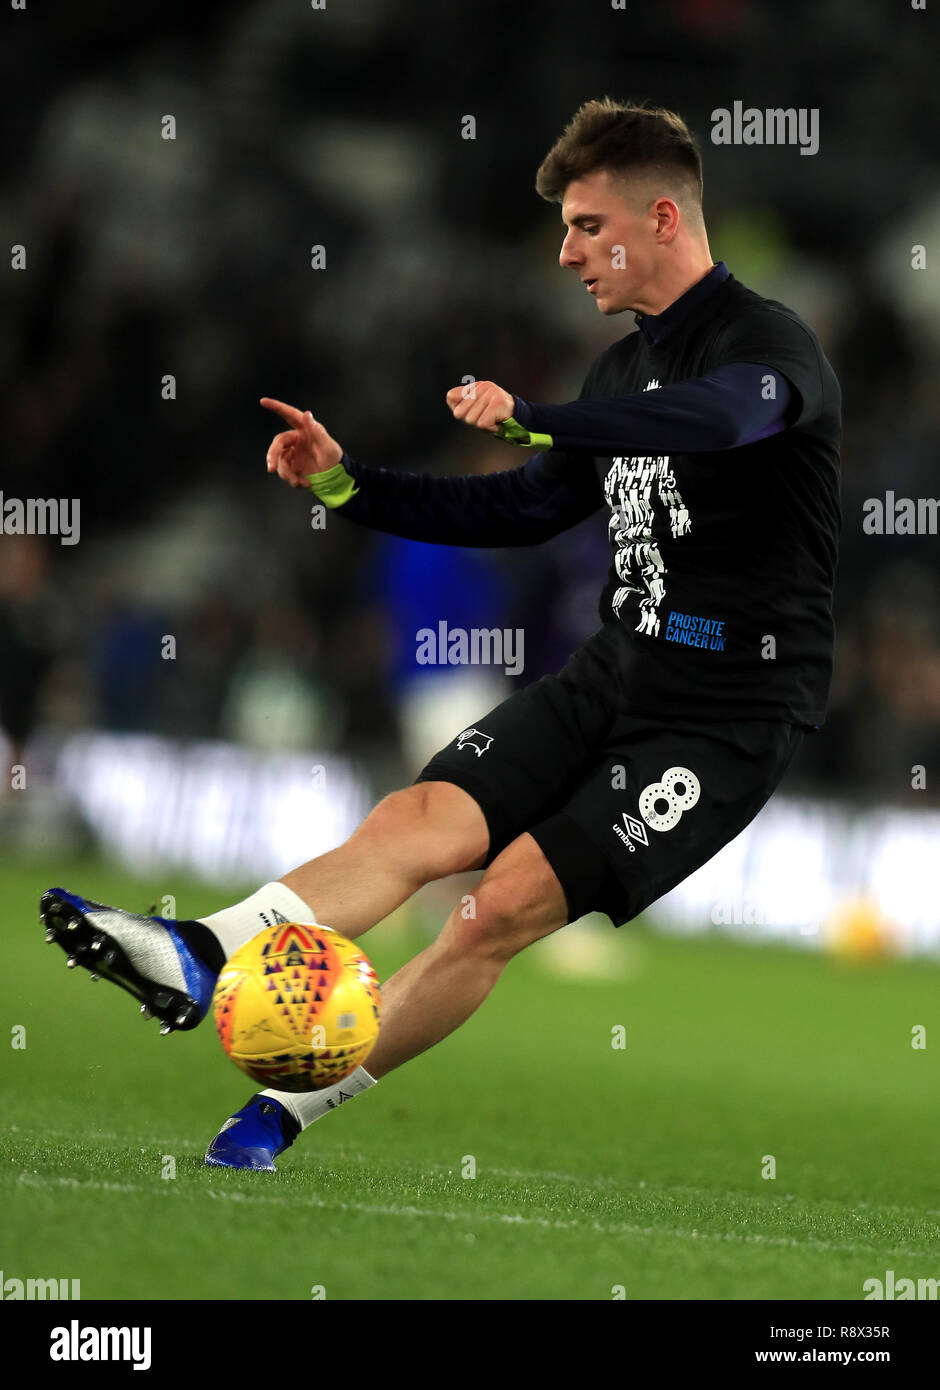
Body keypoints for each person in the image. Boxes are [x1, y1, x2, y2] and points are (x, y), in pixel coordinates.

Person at [41, 99, 841, 1170]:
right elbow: (514, 509)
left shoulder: (767, 346)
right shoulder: (614, 375)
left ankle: (281, 1115)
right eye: (562, 230)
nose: (565, 254)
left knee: (489, 910)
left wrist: (540, 416)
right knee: (419, 818)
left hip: (723, 715)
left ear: (661, 218)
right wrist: (345, 481)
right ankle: (195, 951)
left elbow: (723, 421)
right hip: (614, 669)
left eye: (586, 227)